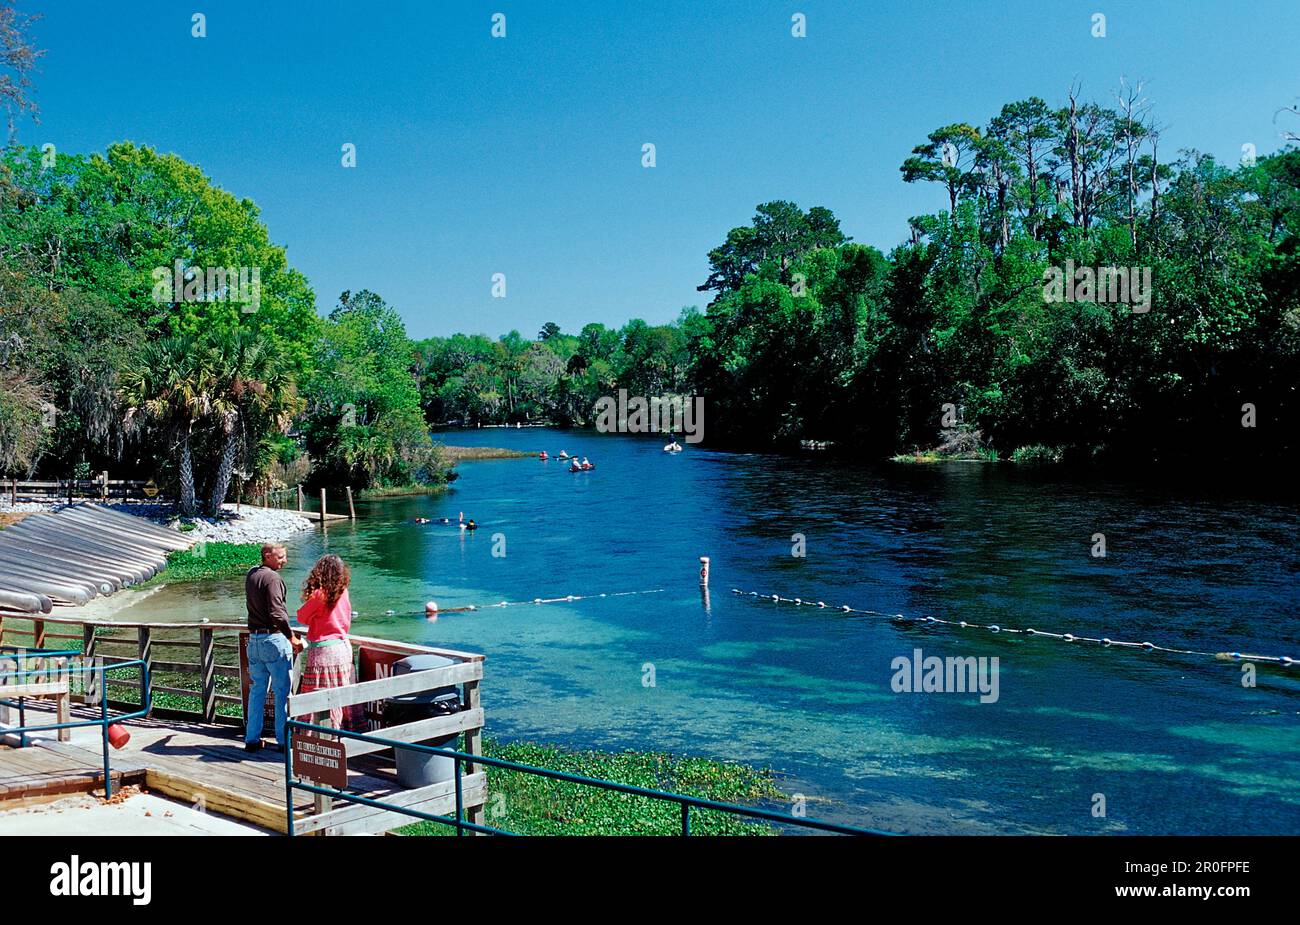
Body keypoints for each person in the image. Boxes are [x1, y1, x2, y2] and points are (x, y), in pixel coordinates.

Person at [244, 543, 302, 752]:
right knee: (282, 692)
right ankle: (284, 741)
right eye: (281, 557)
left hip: (254, 640)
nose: (285, 561)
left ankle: (252, 738)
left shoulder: (252, 574)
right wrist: (292, 637)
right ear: (267, 556)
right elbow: (277, 613)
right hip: (273, 640)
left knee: (257, 691)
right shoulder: (273, 579)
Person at [297, 554, 364, 732]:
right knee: (341, 691)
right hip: (343, 646)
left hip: (323, 651)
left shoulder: (320, 595)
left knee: (321, 693)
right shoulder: (344, 592)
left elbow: (301, 616)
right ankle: (344, 731)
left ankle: (320, 734)